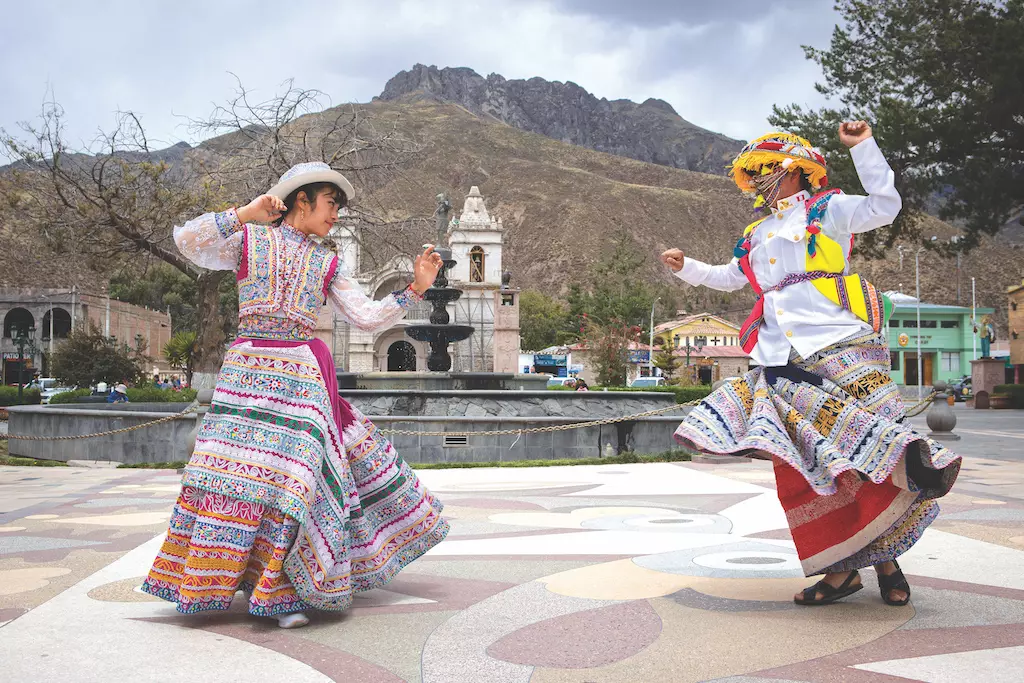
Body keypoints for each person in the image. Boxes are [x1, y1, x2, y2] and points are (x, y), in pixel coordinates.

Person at [662, 122, 961, 607]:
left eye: (767, 170)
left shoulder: (829, 210)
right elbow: (729, 278)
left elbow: (885, 206)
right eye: (752, 172)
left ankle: (886, 560)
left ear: (797, 172)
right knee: (812, 462)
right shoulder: (756, 234)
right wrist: (686, 267)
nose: (759, 179)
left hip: (842, 340)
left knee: (873, 446)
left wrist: (862, 145)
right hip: (783, 355)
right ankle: (842, 569)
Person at [141, 162, 449, 628]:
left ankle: (281, 590)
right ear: (302, 200)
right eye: (331, 204)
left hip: (300, 377)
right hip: (246, 372)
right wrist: (245, 212)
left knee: (295, 481)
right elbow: (188, 241)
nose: (336, 216)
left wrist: (416, 288)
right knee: (234, 475)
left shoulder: (328, 262)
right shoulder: (249, 239)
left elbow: (365, 317)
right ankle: (214, 580)